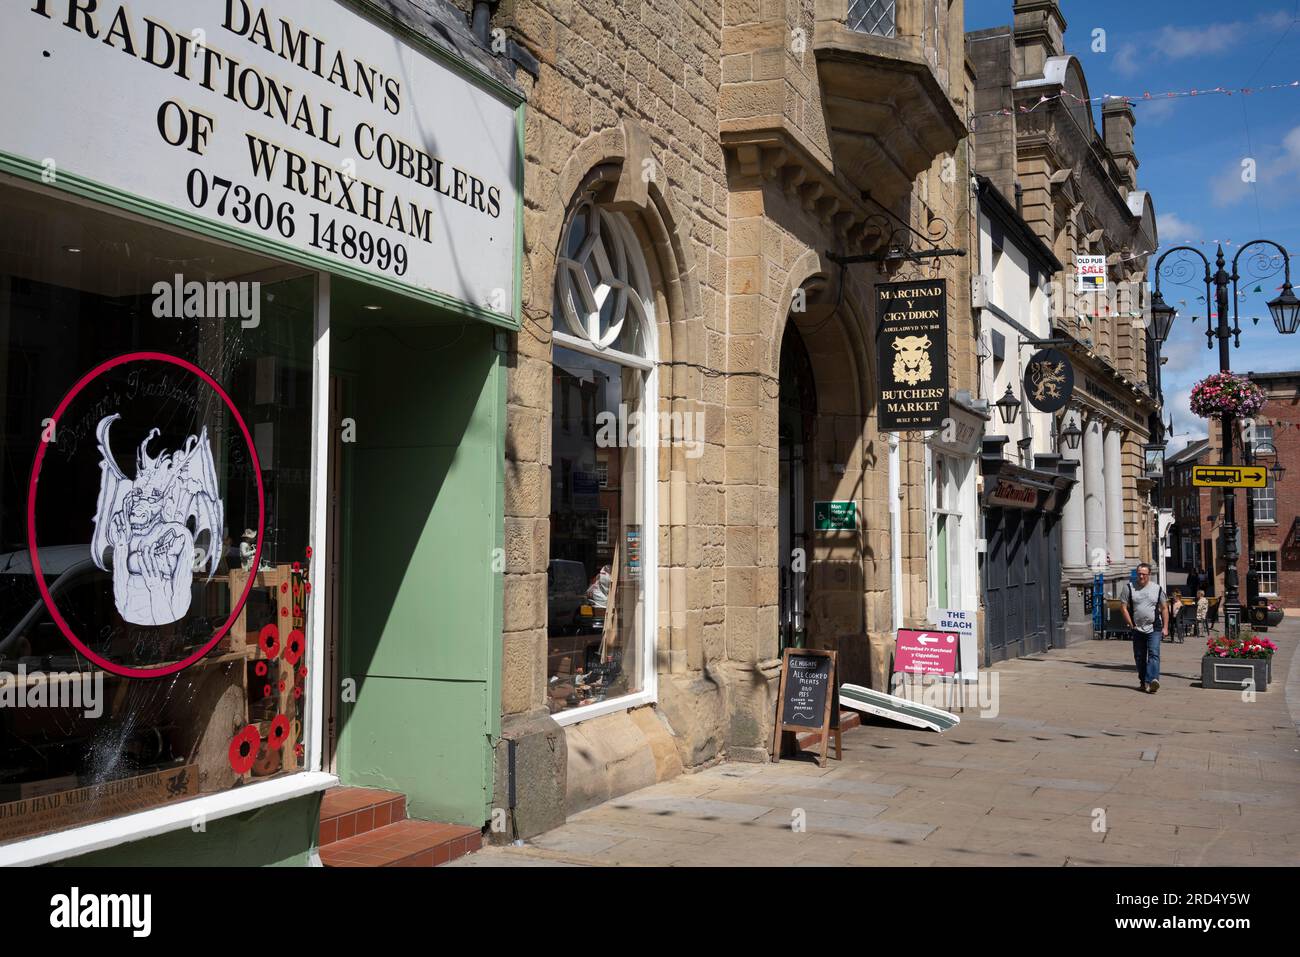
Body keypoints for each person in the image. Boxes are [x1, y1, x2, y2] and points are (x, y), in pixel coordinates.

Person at [1121, 562, 1169, 693]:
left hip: (1154, 627)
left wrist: (1165, 627)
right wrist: (1131, 625)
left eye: (1144, 574)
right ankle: (1143, 681)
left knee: (1154, 653)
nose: (1141, 576)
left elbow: (1164, 608)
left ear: (1149, 575)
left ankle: (1153, 680)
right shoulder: (1129, 588)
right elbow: (1123, 607)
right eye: (1139, 574)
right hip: (1137, 628)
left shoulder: (1157, 588)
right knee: (1139, 656)